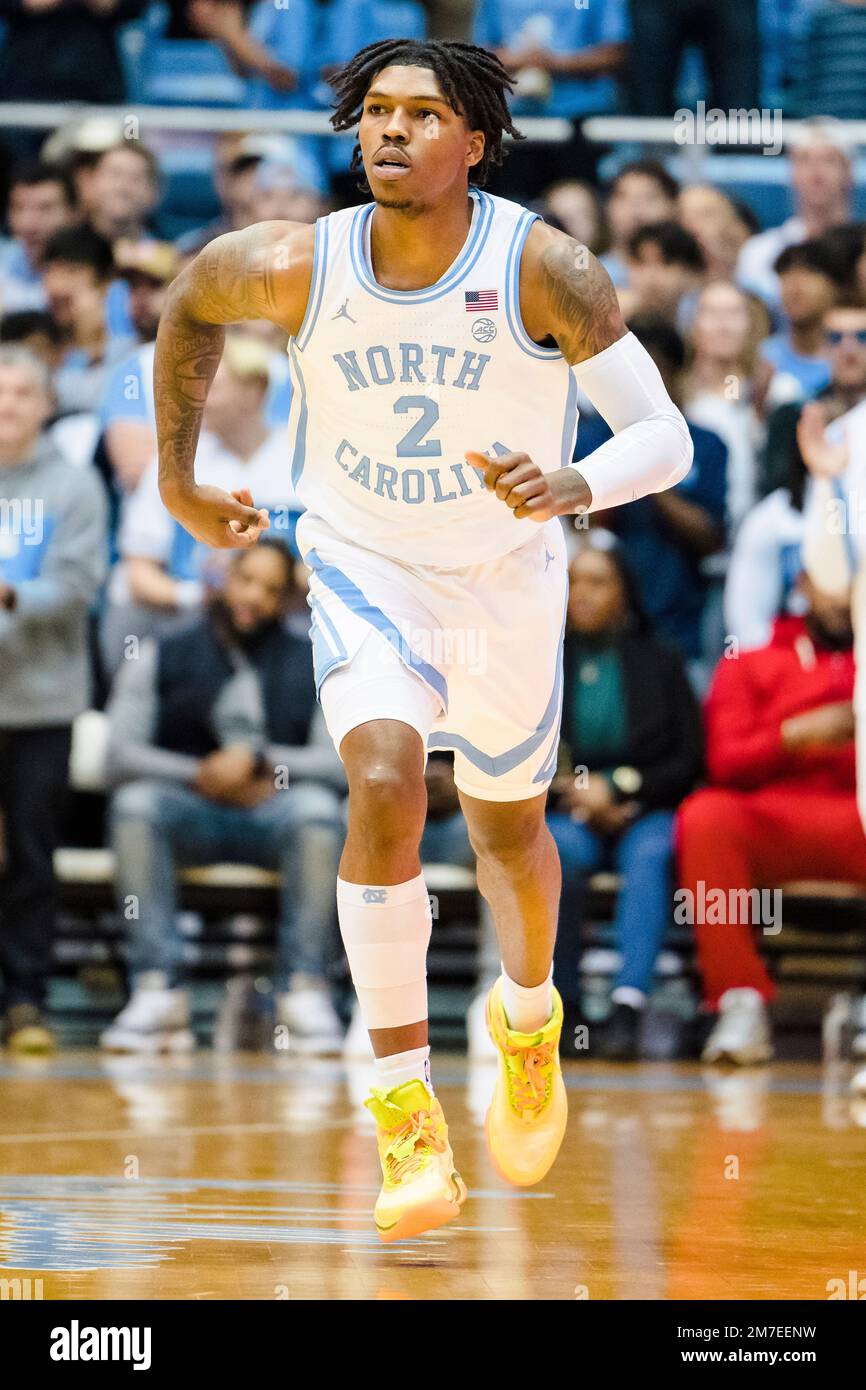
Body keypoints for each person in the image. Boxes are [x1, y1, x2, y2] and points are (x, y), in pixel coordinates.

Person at [153, 37, 692, 1243]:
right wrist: (179, 480)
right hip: (363, 561)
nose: (388, 132)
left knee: (508, 830)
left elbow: (663, 438)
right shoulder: (299, 263)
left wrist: (569, 484)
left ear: (475, 143)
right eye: (374, 113)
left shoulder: (544, 266)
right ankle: (403, 1108)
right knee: (385, 780)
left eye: (419, 114)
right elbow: (190, 299)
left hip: (506, 574)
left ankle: (528, 1015)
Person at [101, 538, 346, 1055]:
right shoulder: (163, 649)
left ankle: (304, 987)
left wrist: (261, 761)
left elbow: (336, 763)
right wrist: (202, 773)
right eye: (246, 579)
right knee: (136, 806)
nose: (254, 596)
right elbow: (118, 755)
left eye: (271, 589)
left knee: (320, 813)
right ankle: (157, 986)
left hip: (272, 810)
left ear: (285, 601)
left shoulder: (315, 659)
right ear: (223, 577)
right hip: (191, 808)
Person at [677, 573, 864, 1065]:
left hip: (857, 819)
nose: (845, 597)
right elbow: (724, 763)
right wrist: (792, 735)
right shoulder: (750, 660)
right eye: (836, 582)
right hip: (773, 820)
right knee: (706, 816)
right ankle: (739, 1002)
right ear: (805, 582)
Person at [548, 537, 702, 1060]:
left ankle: (627, 1004)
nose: (582, 595)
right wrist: (575, 791)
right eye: (575, 583)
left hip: (644, 809)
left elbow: (689, 758)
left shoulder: (659, 659)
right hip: (569, 812)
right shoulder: (544, 661)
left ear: (624, 592)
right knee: (558, 854)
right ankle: (560, 1005)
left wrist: (620, 787)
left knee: (653, 854)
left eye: (598, 582)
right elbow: (514, 747)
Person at [0, 347, 108, 1052]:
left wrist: (9, 594)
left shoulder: (75, 487)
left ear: (45, 405)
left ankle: (26, 1002)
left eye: (19, 393)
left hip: (40, 704)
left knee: (33, 858)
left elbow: (76, 586)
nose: (7, 404)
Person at [573, 315, 727, 677]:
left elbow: (710, 538)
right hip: (596, 634)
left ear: (675, 374)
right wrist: (627, 451)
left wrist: (653, 461)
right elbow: (580, 523)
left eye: (655, 370)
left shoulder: (705, 443)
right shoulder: (590, 437)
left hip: (680, 627)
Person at [736, 119, 854, 309]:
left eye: (829, 159)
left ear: (848, 170)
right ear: (791, 171)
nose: (817, 172)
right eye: (805, 160)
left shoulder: (861, 252)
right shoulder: (760, 253)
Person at [0, 164, 77, 315]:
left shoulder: (95, 271)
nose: (28, 224)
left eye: (44, 208)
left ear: (73, 214)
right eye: (18, 208)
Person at [600, 159, 680, 289]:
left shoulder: (693, 277)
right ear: (608, 207)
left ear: (673, 208)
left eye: (649, 198)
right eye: (624, 197)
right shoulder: (587, 277)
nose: (636, 210)